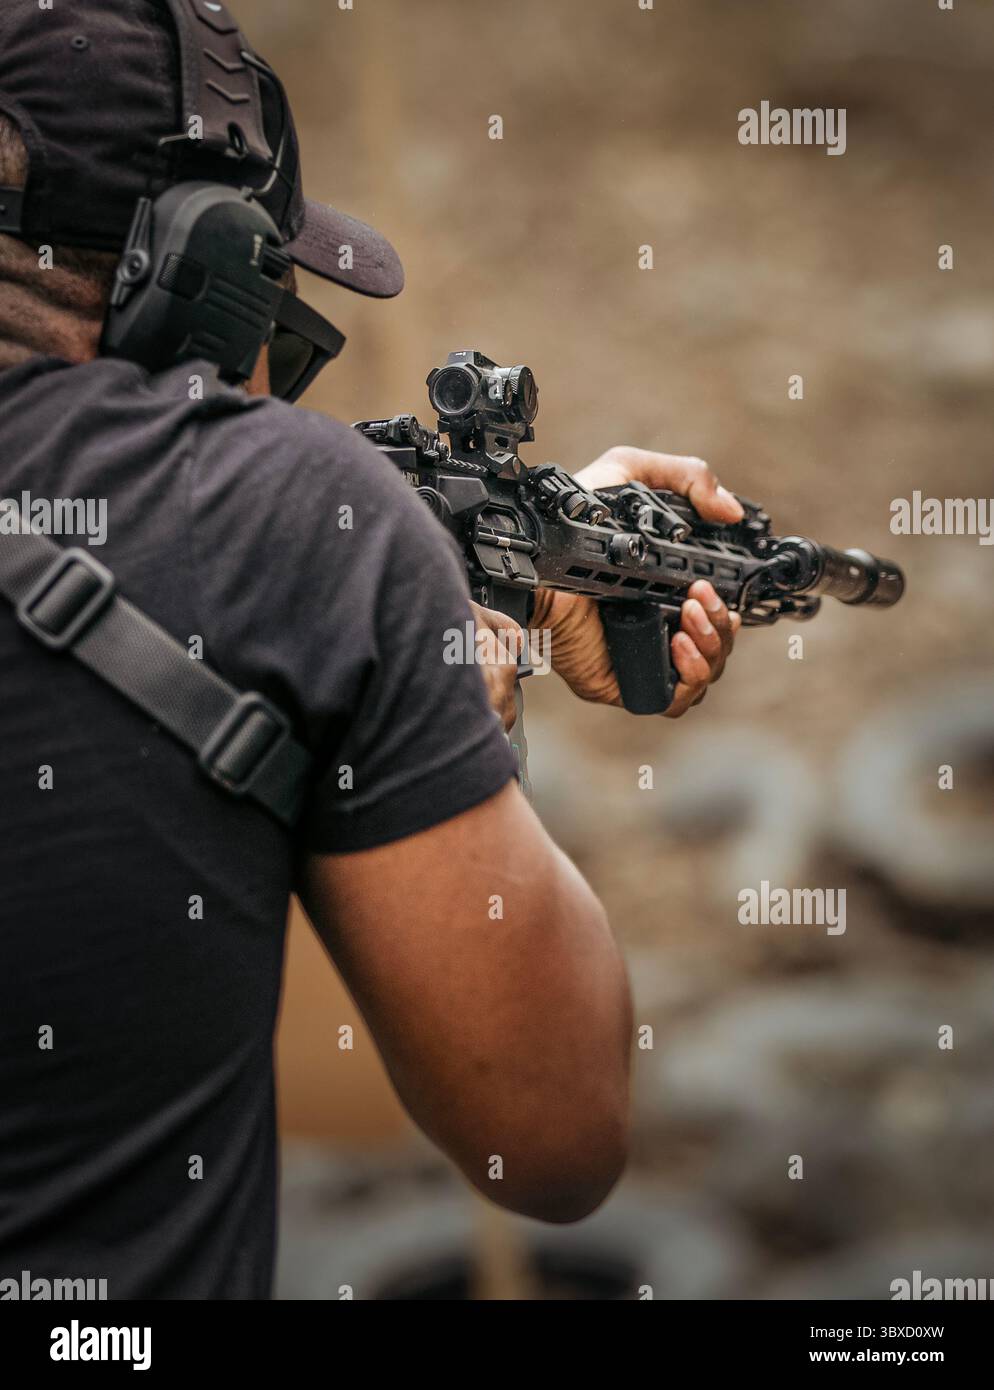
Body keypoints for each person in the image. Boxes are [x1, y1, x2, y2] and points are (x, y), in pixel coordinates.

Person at [0, 0, 740, 1299]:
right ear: (198, 262)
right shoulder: (288, 524)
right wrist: (431, 691)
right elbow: (552, 1137)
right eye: (272, 328)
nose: (270, 389)